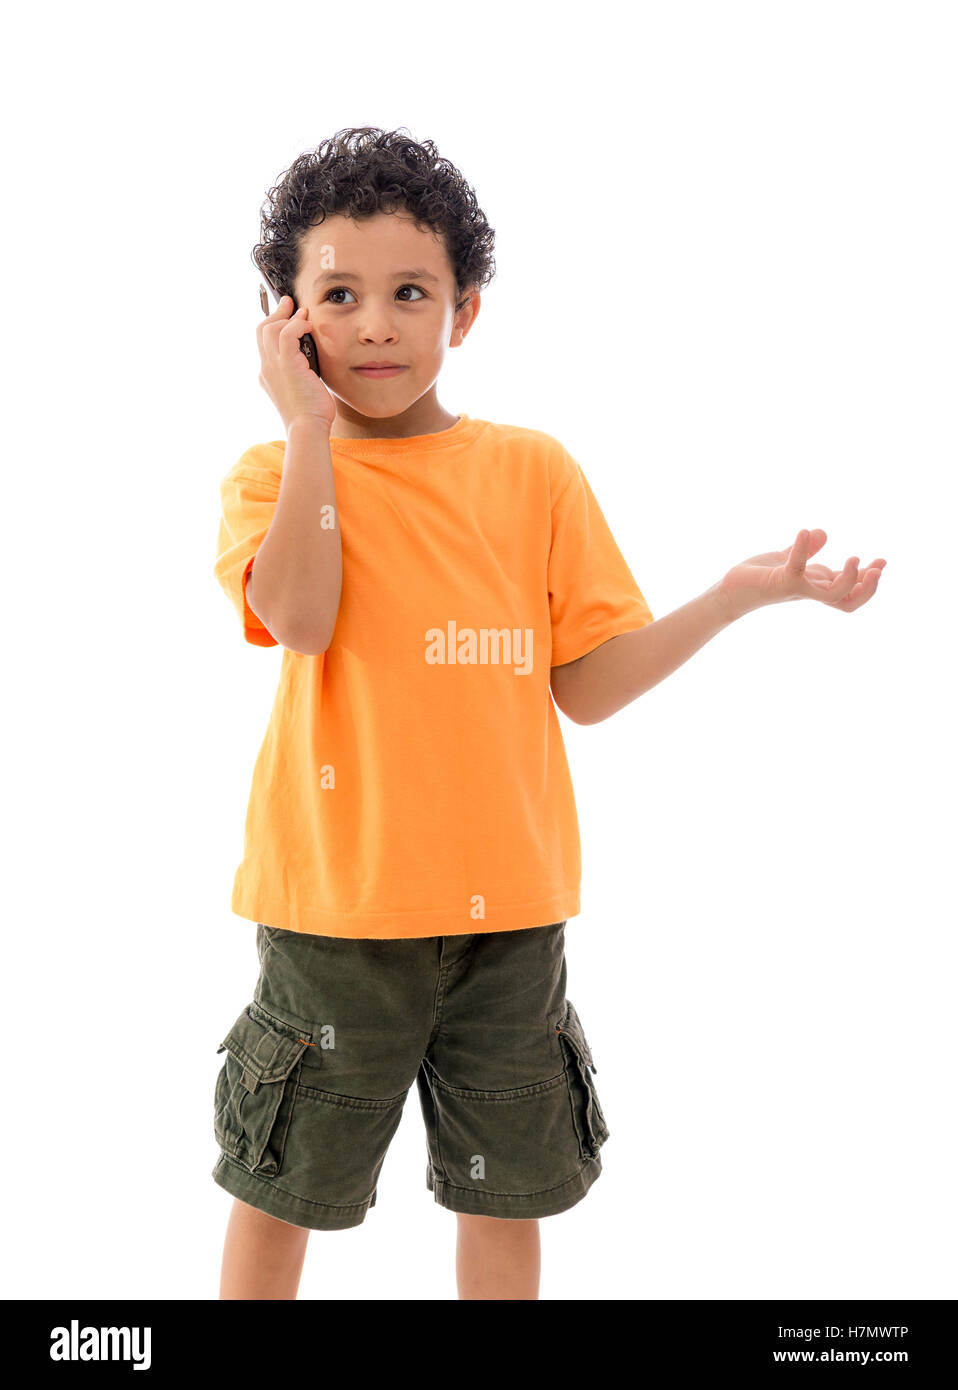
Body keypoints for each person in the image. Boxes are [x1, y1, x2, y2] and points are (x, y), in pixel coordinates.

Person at [211, 127, 886, 1301]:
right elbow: (303, 620)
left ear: (463, 312)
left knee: (505, 1191)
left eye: (409, 292)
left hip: (510, 920)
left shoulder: (532, 473)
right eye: (339, 294)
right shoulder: (274, 476)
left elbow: (588, 686)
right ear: (289, 320)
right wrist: (309, 430)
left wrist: (733, 597)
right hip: (337, 917)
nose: (376, 322)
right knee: (284, 1188)